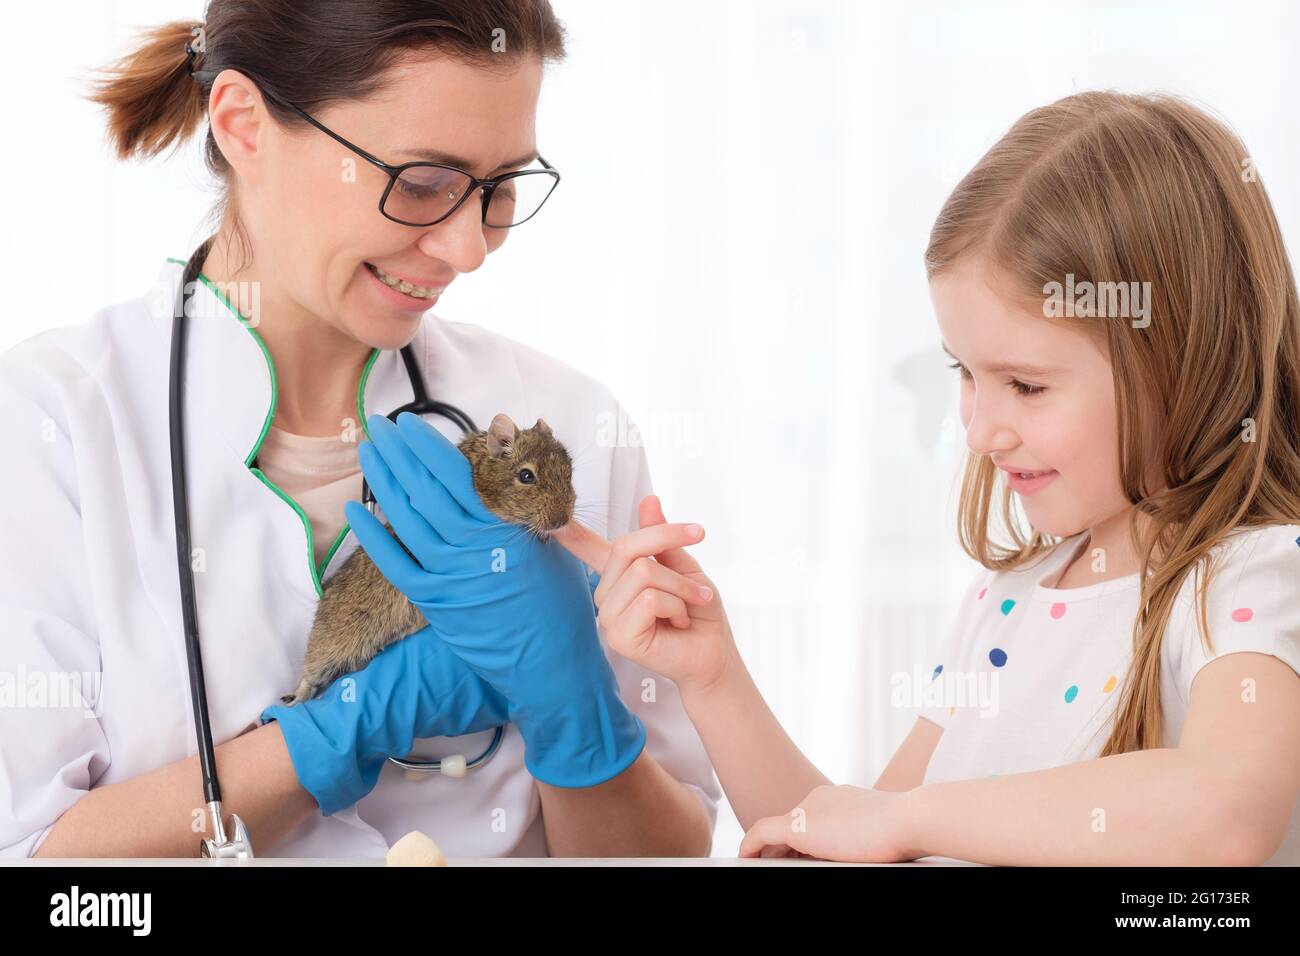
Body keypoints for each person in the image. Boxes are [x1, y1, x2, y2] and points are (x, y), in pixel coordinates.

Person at [0, 0, 719, 859]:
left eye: (497, 190)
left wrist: (574, 709)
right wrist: (337, 733)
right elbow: (43, 871)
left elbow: (670, 854)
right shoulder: (54, 426)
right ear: (244, 125)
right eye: (421, 184)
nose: (468, 248)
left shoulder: (567, 427)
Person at [565, 91, 1300, 865]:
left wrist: (909, 820)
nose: (981, 430)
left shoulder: (1251, 581)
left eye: (1026, 385)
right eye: (965, 373)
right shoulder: (1008, 605)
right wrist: (714, 681)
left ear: (1182, 362)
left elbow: (1225, 815)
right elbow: (849, 839)